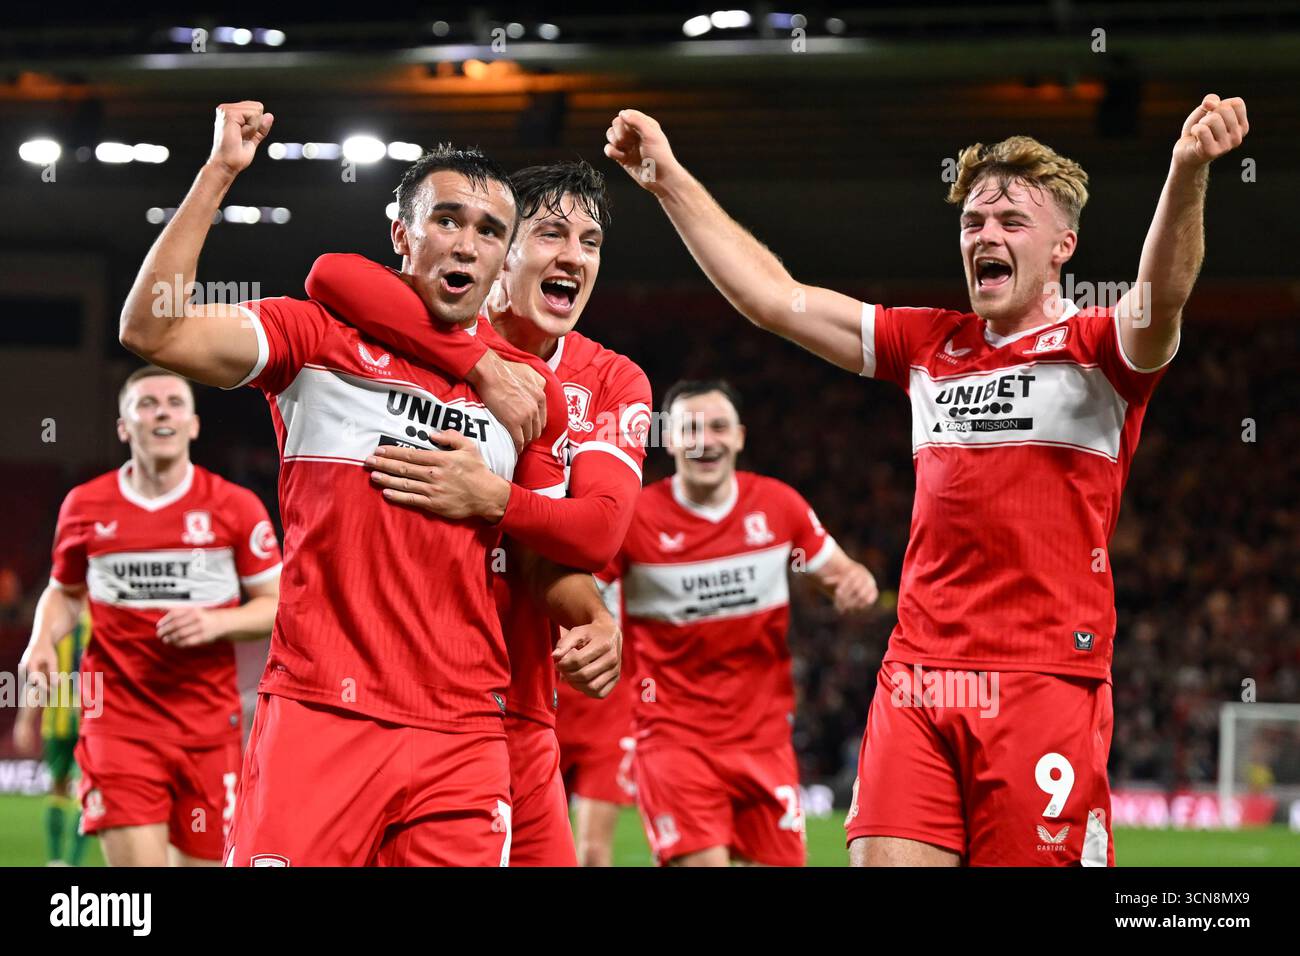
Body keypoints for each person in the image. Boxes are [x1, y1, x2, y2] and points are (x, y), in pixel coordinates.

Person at [602, 95, 1249, 865]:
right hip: (919, 675)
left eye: (1012, 222)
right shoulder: (927, 345)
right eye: (974, 221)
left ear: (1063, 245)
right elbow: (777, 300)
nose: (986, 235)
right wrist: (667, 178)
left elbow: (1164, 292)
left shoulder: (1102, 350)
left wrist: (1186, 172)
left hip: (1042, 679)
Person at [118, 101, 614, 866]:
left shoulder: (526, 396)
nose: (467, 243)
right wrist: (218, 173)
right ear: (401, 237)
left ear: (503, 259)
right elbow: (153, 330)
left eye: (489, 232)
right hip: (320, 715)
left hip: (464, 736)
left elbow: (549, 563)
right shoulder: (314, 338)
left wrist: (597, 620)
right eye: (447, 220)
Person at [304, 159, 651, 865]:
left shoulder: (611, 379)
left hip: (516, 710)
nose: (573, 258)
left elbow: (593, 534)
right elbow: (329, 275)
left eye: (590, 243)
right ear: (502, 251)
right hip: (375, 699)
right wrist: (476, 364)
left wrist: (591, 614)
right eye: (552, 235)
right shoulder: (416, 325)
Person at [18, 366, 282, 866]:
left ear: (193, 425)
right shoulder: (85, 506)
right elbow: (65, 593)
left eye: (175, 402)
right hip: (117, 724)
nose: (162, 410)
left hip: (207, 729)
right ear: (124, 426)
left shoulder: (235, 507)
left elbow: (278, 604)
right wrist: (41, 640)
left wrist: (216, 623)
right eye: (146, 402)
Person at [608, 380, 877, 866]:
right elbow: (585, 589)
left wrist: (855, 585)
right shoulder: (634, 519)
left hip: (764, 740)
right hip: (674, 739)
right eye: (689, 429)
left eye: (717, 427)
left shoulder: (778, 507)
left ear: (740, 437)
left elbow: (842, 573)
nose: (704, 440)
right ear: (668, 440)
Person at [11, 609, 92, 866]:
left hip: (89, 724)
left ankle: (69, 861)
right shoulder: (57, 622)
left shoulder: (94, 620)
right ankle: (58, 861)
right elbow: (40, 677)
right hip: (63, 722)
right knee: (63, 787)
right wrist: (24, 720)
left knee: (85, 791)